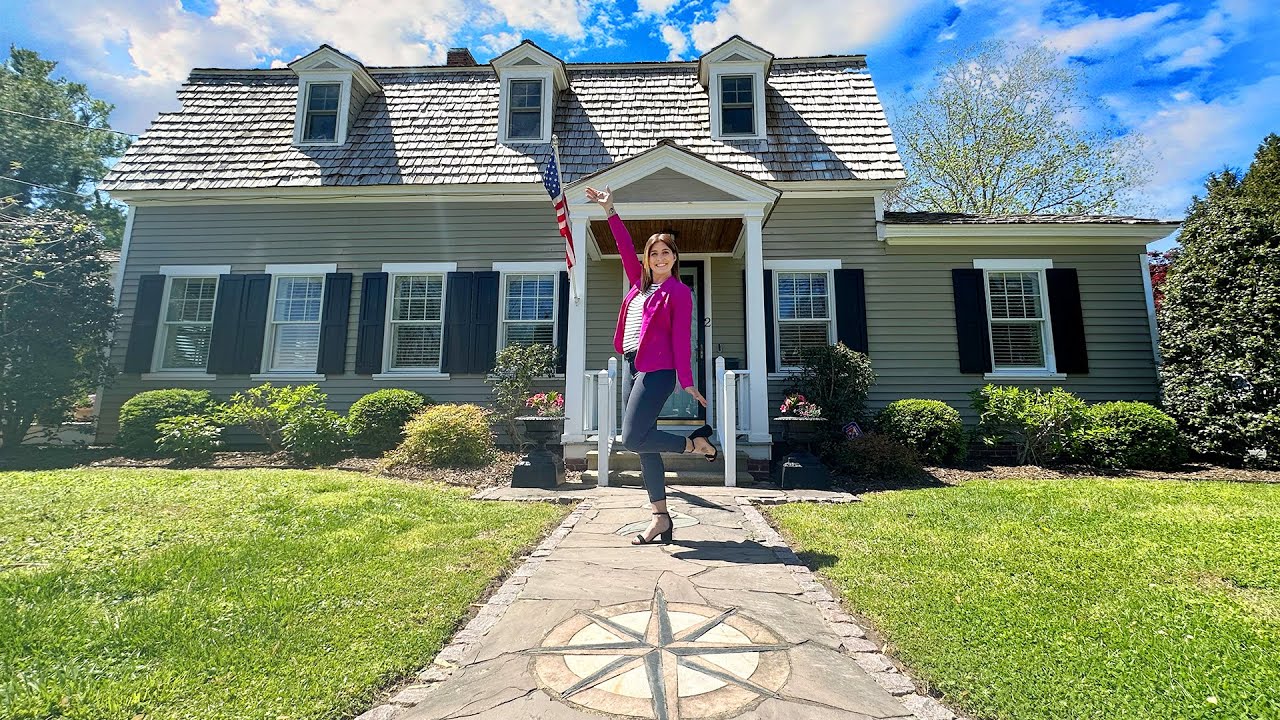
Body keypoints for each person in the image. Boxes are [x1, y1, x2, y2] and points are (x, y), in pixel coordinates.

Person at [585, 185, 717, 546]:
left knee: (630, 438)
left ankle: (694, 443)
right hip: (632, 366)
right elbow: (624, 247)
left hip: (657, 372)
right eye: (653, 253)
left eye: (665, 252)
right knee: (645, 445)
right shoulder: (637, 285)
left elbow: (681, 339)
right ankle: (661, 518)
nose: (659, 258)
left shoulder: (679, 292)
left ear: (674, 258)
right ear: (646, 259)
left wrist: (686, 381)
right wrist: (610, 210)